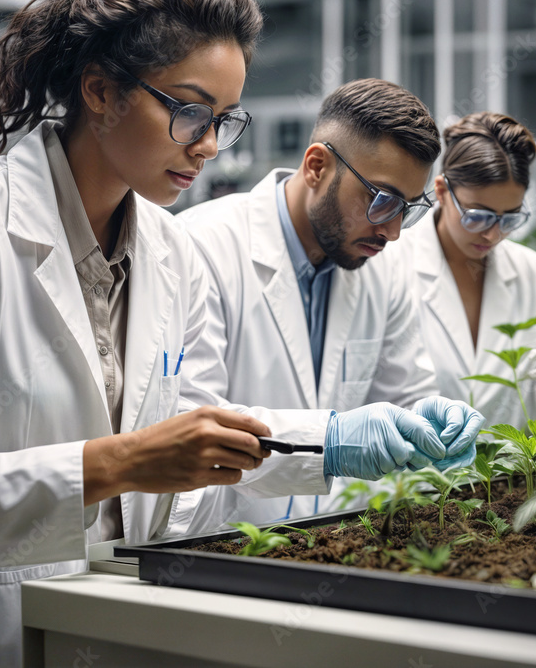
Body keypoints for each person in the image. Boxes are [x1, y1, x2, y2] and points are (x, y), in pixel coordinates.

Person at [0, 0, 480, 664]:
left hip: (125, 632)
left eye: (223, 120)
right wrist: (116, 463)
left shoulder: (171, 250)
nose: (208, 145)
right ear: (100, 90)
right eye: (189, 111)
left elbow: (191, 459)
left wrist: (333, 442)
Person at [181, 78, 460, 521]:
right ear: (316, 166)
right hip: (222, 548)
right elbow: (189, 424)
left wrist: (430, 423)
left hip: (332, 545)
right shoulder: (201, 246)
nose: (392, 231)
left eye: (408, 209)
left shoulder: (384, 265)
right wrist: (328, 442)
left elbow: (404, 397)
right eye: (383, 201)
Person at [400, 112, 536, 428]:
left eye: (509, 219)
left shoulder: (531, 271)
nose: (493, 235)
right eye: (479, 216)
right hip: (413, 476)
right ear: (441, 191)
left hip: (512, 474)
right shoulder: (392, 264)